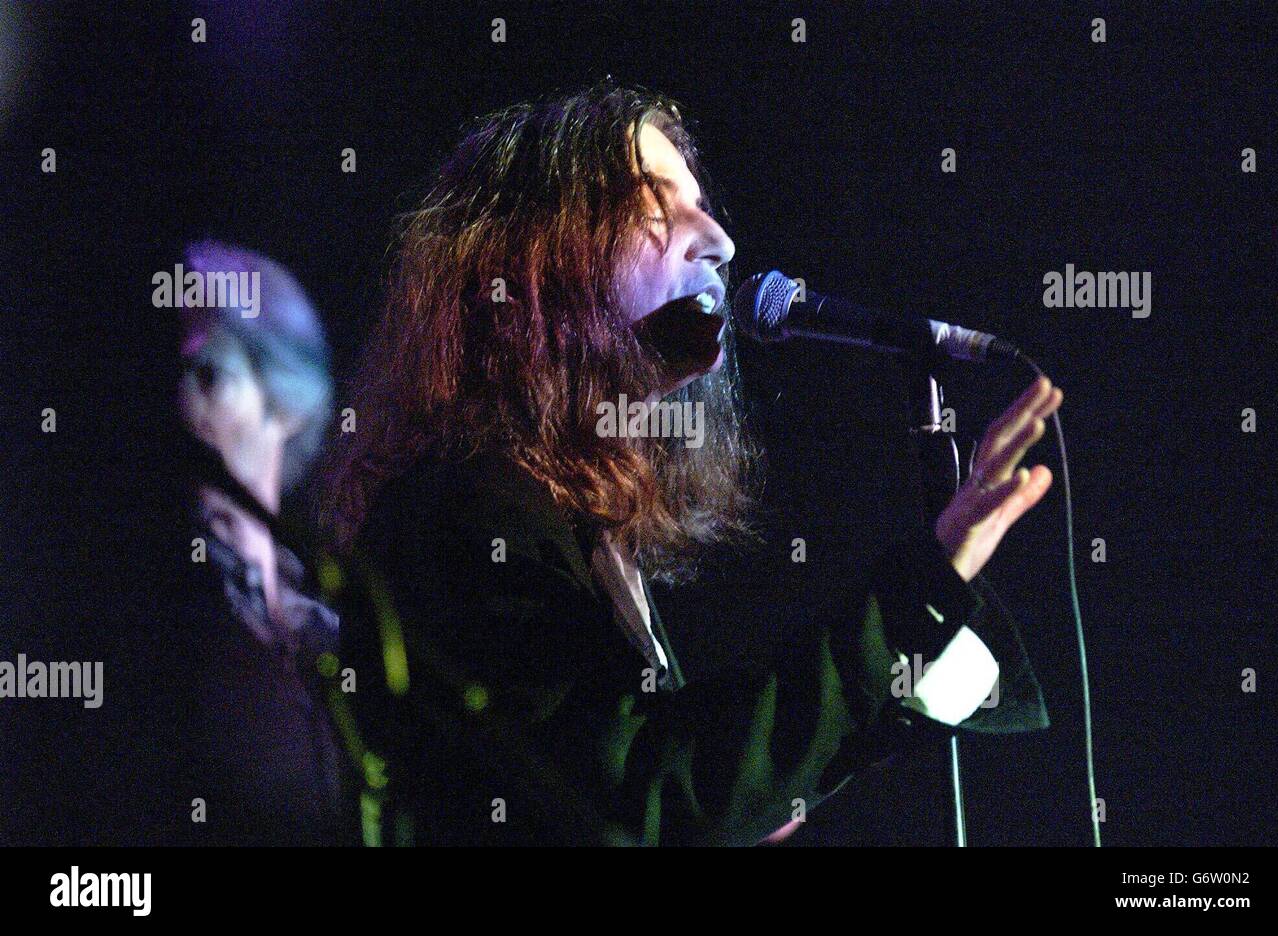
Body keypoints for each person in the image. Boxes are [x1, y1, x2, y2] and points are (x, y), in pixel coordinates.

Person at [322, 85, 1060, 845]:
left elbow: (679, 797)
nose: (718, 238)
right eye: (652, 207)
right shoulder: (466, 515)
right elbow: (644, 796)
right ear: (532, 260)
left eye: (703, 204)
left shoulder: (580, 528)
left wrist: (840, 743)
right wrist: (916, 595)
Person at [169, 240, 345, 845]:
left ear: (285, 401)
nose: (181, 403)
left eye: (208, 372)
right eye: (167, 371)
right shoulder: (157, 608)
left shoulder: (331, 615)